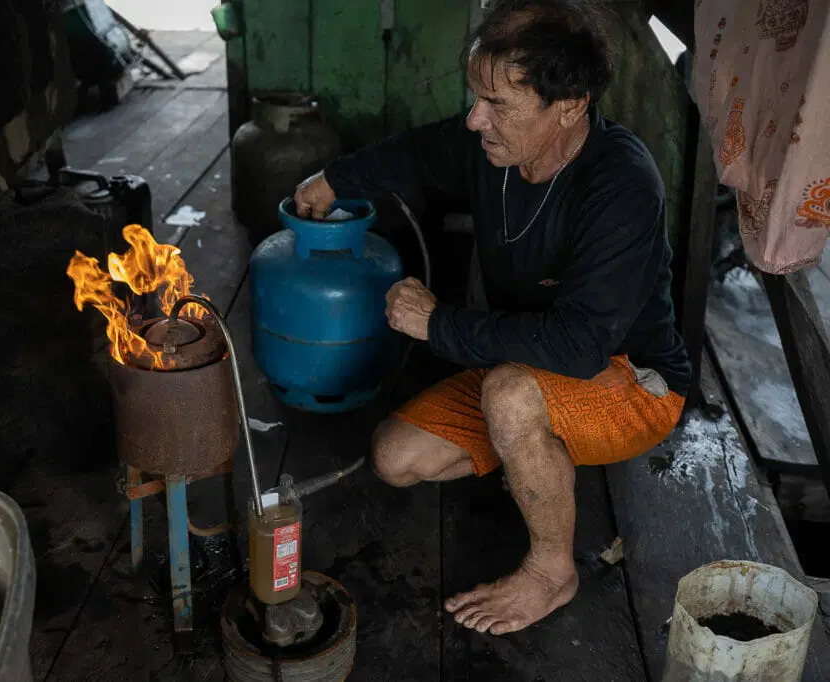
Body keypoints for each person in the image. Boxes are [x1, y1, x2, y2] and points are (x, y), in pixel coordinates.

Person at [294, 0, 690, 636]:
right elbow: (416, 154)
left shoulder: (622, 184)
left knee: (509, 396)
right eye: (475, 97)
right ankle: (536, 452)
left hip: (630, 379)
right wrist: (332, 180)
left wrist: (438, 323)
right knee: (395, 458)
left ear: (570, 104)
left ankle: (551, 571)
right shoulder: (490, 146)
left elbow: (580, 345)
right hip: (525, 364)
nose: (476, 119)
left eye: (497, 104)